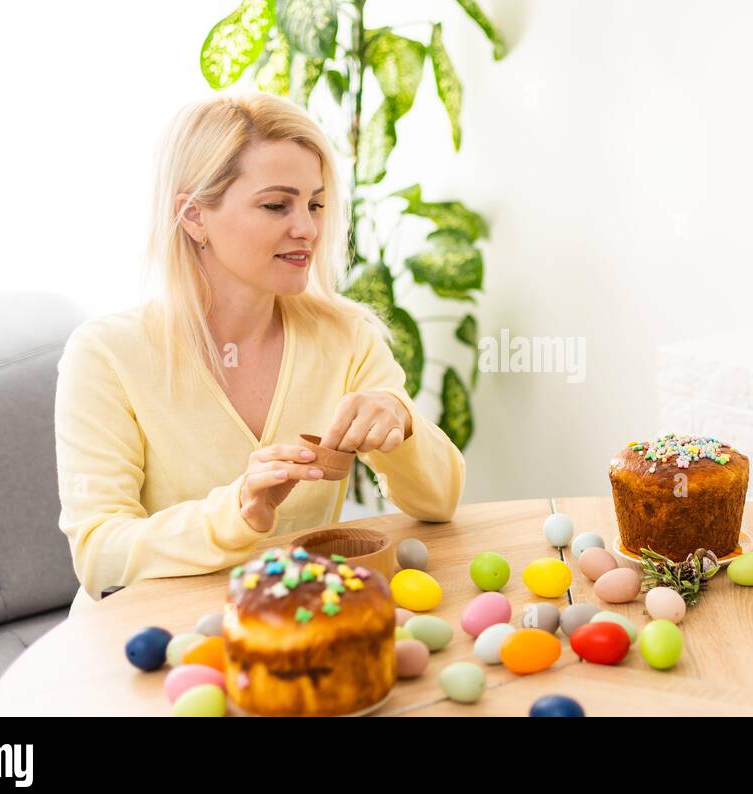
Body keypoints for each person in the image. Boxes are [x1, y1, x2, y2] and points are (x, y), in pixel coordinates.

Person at [54, 92, 465, 615]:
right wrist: (238, 511)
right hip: (153, 641)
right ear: (194, 216)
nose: (308, 229)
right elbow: (98, 555)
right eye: (277, 205)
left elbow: (440, 503)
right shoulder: (107, 354)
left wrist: (402, 426)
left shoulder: (346, 334)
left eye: (315, 204)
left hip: (299, 627)